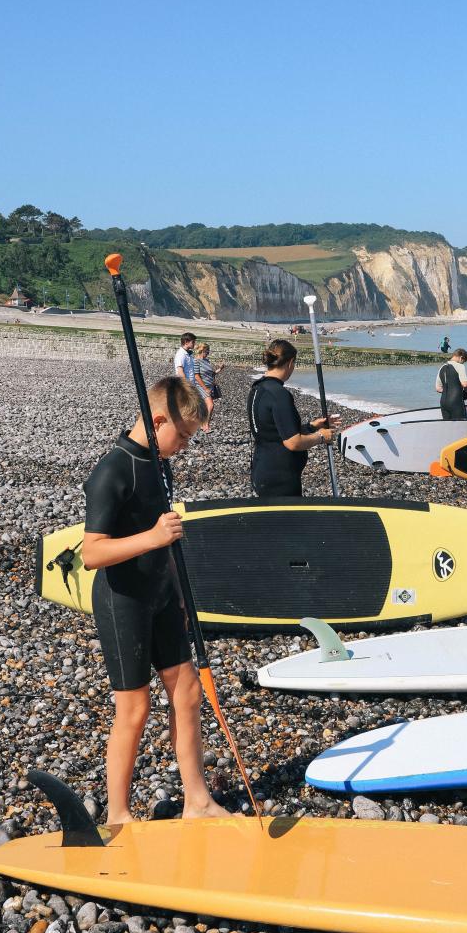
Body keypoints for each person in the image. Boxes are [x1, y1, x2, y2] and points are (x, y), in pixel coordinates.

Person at [80, 376, 229, 825]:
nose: (183, 446)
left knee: (188, 693)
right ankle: (118, 815)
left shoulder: (159, 464)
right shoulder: (113, 469)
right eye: (181, 435)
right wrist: (153, 537)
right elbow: (92, 554)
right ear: (157, 419)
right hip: (123, 599)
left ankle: (197, 801)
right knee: (135, 708)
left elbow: (163, 540)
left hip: (162, 593)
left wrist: (178, 592)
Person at [248, 339, 337, 498]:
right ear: (290, 363)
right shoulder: (279, 395)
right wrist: (322, 437)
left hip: (262, 468)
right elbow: (293, 442)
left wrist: (311, 427)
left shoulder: (258, 388)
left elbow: (274, 430)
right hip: (280, 478)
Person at [192, 343, 224, 431]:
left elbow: (211, 374)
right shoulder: (196, 361)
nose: (208, 353)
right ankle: (206, 425)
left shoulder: (207, 361)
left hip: (210, 386)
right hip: (201, 386)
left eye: (208, 351)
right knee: (210, 405)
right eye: (207, 351)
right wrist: (205, 388)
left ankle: (202, 424)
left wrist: (220, 369)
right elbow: (196, 376)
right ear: (202, 351)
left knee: (204, 406)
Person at [435, 348, 467, 420]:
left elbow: (438, 388)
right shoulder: (460, 366)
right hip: (456, 402)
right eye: (463, 362)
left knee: (447, 425)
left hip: (443, 402)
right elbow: (465, 384)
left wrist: (450, 391)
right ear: (461, 357)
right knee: (460, 425)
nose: (462, 363)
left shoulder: (442, 367)